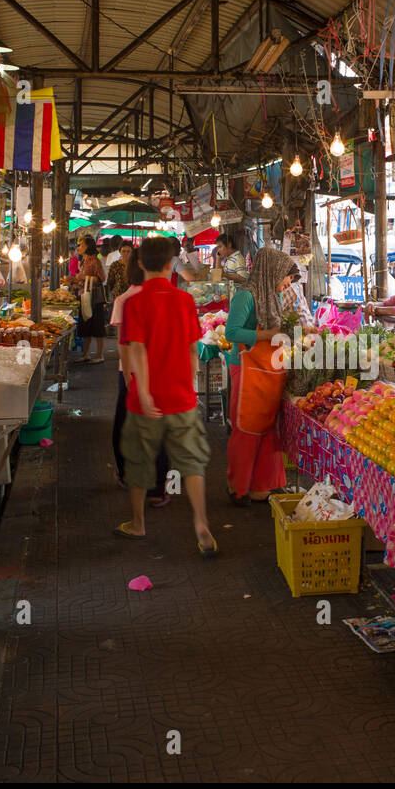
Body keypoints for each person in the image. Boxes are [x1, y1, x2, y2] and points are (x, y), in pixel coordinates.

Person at [115, 237, 218, 556]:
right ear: (170, 263)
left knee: (139, 461)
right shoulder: (184, 301)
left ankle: (138, 522)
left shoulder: (133, 302)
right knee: (192, 463)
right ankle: (201, 523)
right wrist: (190, 386)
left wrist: (143, 392)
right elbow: (192, 351)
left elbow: (137, 350)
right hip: (182, 397)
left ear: (141, 264)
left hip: (146, 401)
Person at [225, 248, 296, 505]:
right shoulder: (246, 296)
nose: (288, 282)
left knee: (266, 429)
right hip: (246, 367)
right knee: (247, 428)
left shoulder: (272, 296)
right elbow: (231, 332)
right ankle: (239, 487)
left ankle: (263, 486)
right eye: (287, 276)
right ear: (273, 271)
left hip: (265, 368)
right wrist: (268, 335)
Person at [110, 253, 171, 506]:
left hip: (131, 372)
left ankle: (127, 475)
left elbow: (122, 343)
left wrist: (126, 376)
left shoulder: (123, 300)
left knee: (125, 427)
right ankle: (157, 488)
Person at [73, 237, 109, 364]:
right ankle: (86, 354)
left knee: (98, 327)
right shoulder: (84, 261)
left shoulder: (95, 261)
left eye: (81, 244)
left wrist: (84, 276)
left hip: (96, 299)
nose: (79, 246)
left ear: (88, 247)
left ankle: (99, 355)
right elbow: (83, 280)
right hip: (85, 296)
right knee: (86, 326)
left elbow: (102, 279)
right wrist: (75, 280)